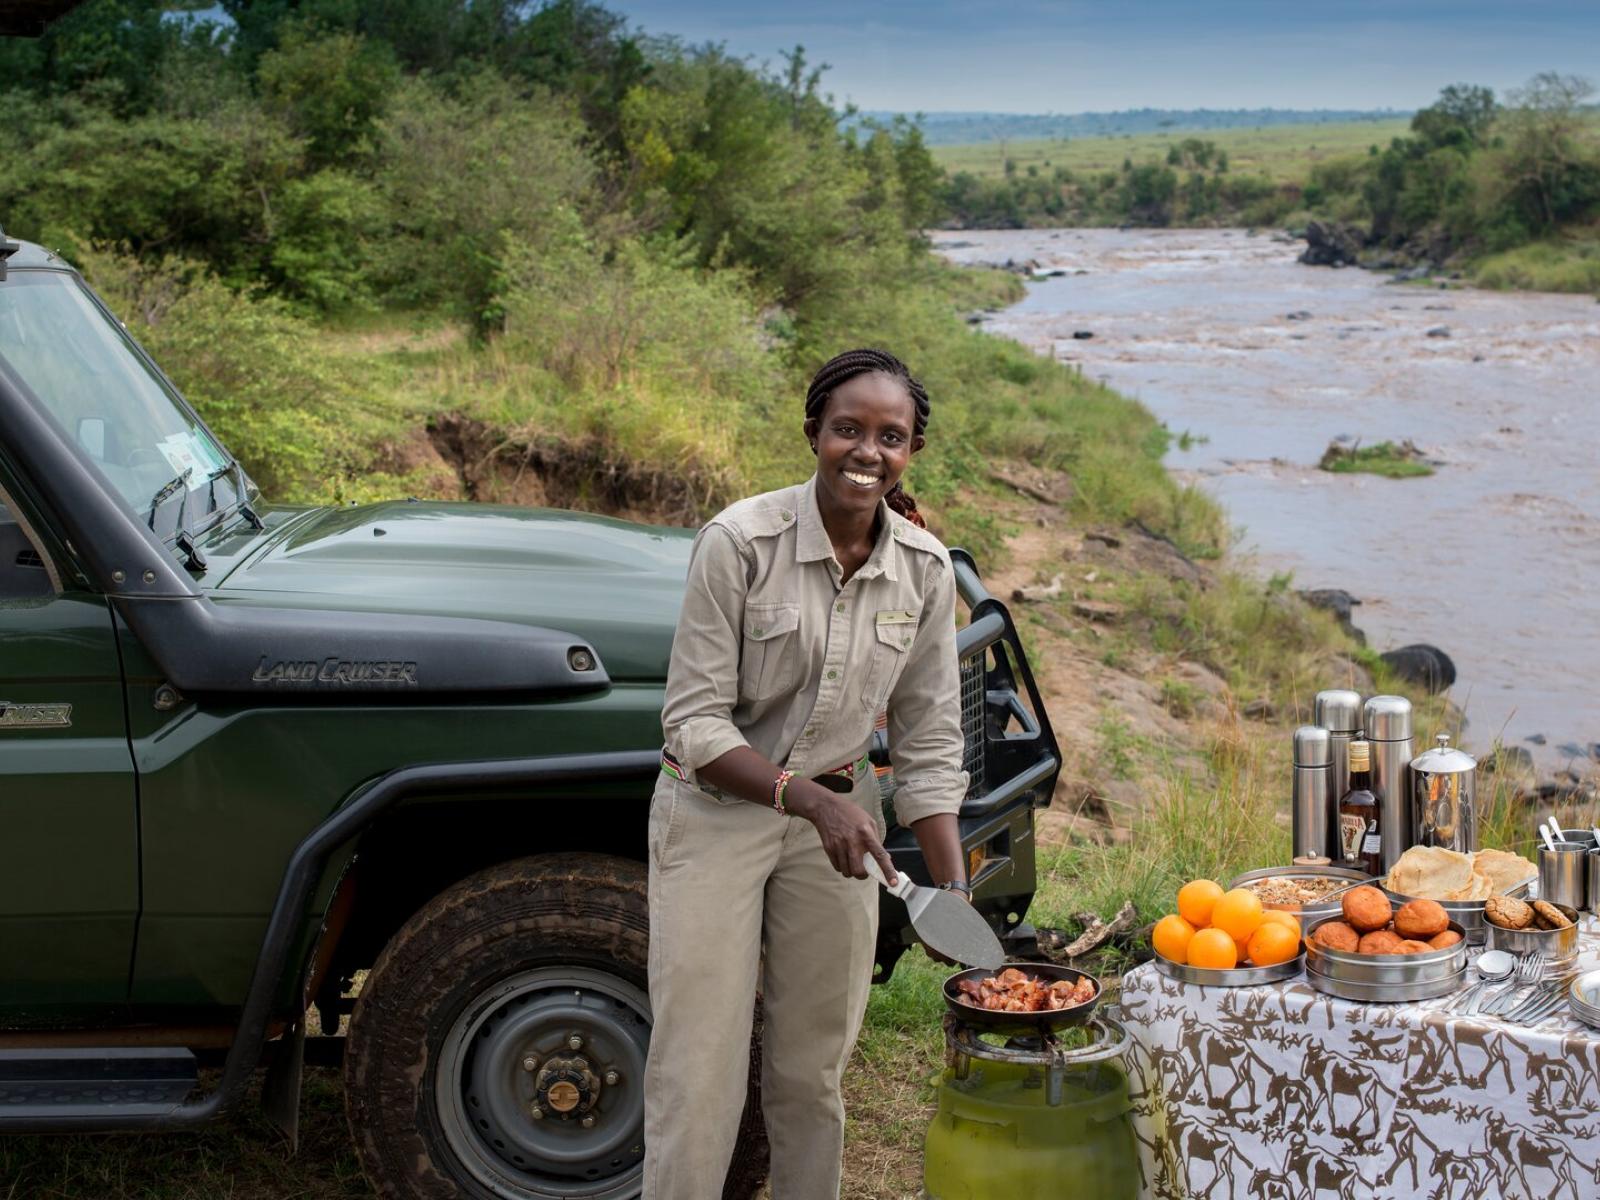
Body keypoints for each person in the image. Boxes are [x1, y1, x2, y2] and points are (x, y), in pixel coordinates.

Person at [643, 348, 971, 1198]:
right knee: (698, 1069)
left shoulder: (925, 570)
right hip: (716, 810)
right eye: (848, 430)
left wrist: (953, 895)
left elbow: (931, 736)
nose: (867, 452)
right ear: (814, 434)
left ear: (911, 452)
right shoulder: (739, 543)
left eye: (889, 437)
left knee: (812, 1066)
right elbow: (694, 723)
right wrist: (809, 801)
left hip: (838, 820)